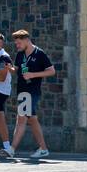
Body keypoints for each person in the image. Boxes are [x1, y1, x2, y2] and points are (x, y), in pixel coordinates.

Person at [10, 29, 55, 159]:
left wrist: (33, 75)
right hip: (21, 90)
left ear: (26, 40)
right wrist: (10, 69)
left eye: (18, 43)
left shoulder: (40, 54)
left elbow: (51, 71)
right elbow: (16, 70)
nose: (17, 46)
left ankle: (12, 149)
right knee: (31, 119)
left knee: (22, 119)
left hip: (32, 91)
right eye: (16, 43)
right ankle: (43, 149)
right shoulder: (20, 54)